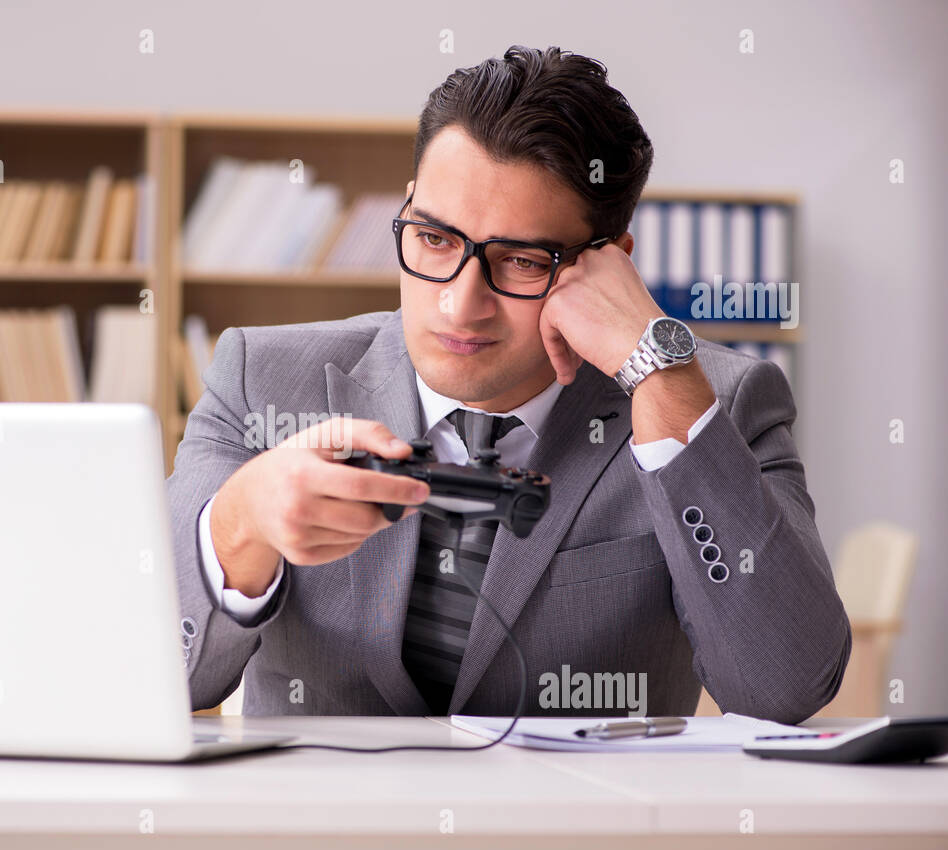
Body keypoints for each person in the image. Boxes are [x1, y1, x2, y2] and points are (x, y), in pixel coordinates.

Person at [165, 44, 850, 723]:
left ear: (611, 267)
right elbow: (155, 675)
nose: (460, 305)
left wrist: (660, 372)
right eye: (434, 239)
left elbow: (784, 687)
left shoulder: (718, 406)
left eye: (520, 261)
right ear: (406, 210)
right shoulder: (262, 380)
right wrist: (239, 523)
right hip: (319, 830)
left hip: (575, 831)